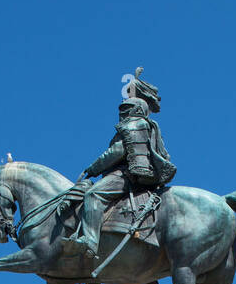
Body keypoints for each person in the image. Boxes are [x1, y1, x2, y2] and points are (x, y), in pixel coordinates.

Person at [64, 69, 175, 258]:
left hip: (127, 175)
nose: (122, 114)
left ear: (136, 110)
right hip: (142, 175)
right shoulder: (149, 126)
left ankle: (90, 241)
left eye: (126, 109)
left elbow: (116, 152)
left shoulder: (133, 125)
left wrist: (92, 168)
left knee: (92, 195)